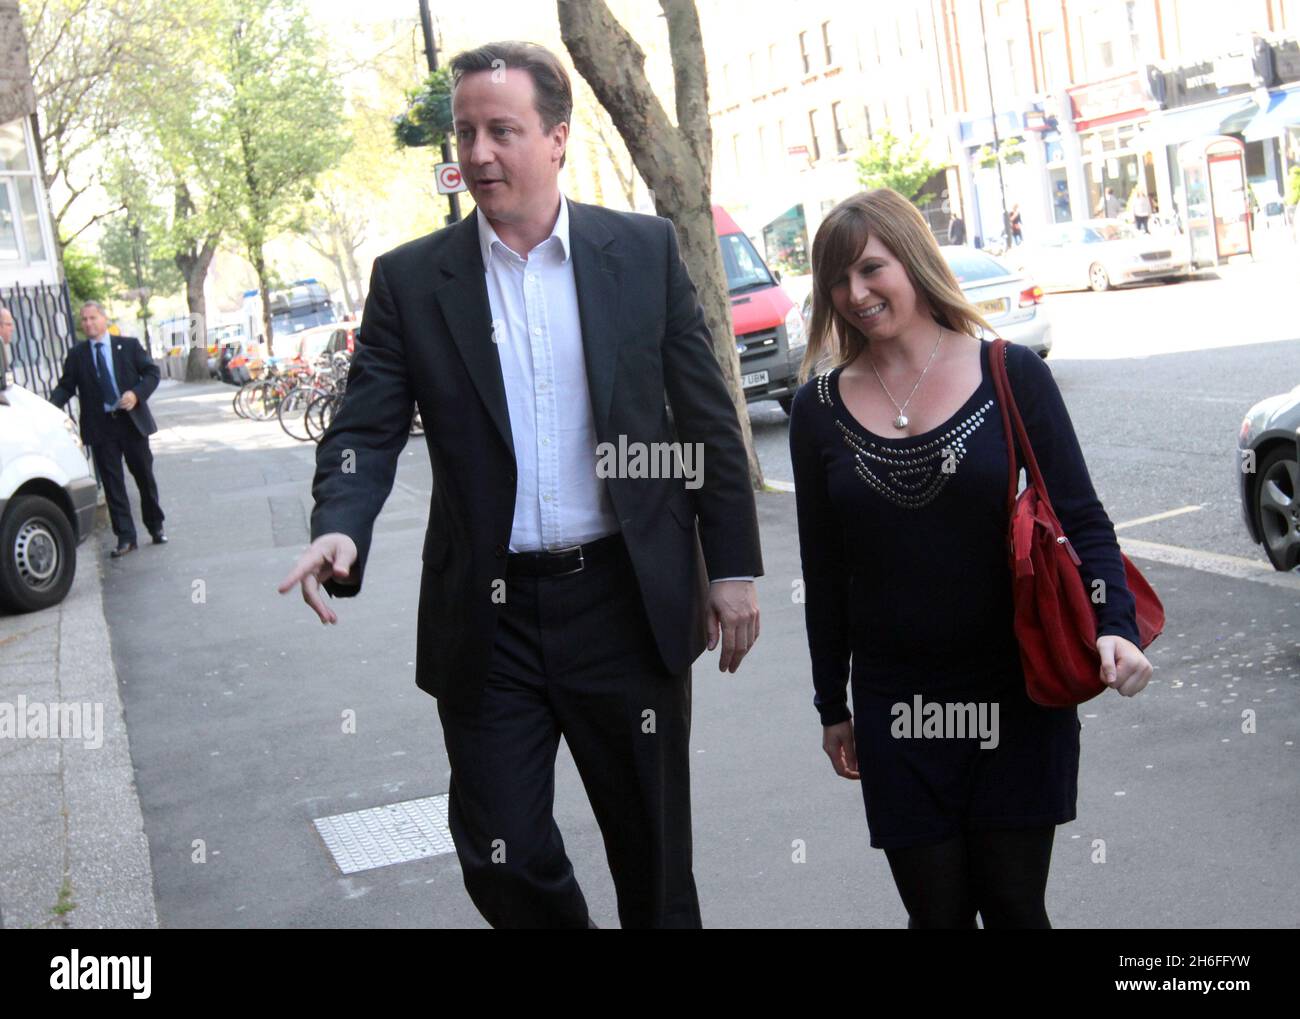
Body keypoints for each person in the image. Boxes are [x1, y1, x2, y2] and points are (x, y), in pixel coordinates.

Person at [278, 40, 763, 929]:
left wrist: (730, 566)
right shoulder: (414, 280)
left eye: (502, 130)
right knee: (500, 850)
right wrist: (340, 523)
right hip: (489, 619)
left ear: (558, 138)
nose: (479, 152)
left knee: (656, 865)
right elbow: (367, 425)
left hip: (624, 601)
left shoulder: (641, 253)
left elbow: (705, 421)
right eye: (466, 132)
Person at [788, 188, 1152, 929]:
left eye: (871, 269)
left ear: (914, 262)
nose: (855, 294)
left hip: (1016, 687)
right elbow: (823, 570)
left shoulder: (1010, 373)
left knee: (1015, 905)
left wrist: (1117, 623)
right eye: (837, 279)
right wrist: (834, 703)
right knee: (939, 915)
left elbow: (1082, 517)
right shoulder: (817, 408)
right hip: (900, 704)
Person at [49, 302, 167, 557]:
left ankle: (155, 526)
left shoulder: (128, 346)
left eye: (93, 318)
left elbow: (151, 373)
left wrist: (136, 395)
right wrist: (45, 409)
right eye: (84, 320)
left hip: (131, 423)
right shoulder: (78, 355)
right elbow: (66, 386)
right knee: (113, 485)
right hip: (101, 427)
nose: (88, 324)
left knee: (144, 477)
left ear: (104, 319)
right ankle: (126, 537)